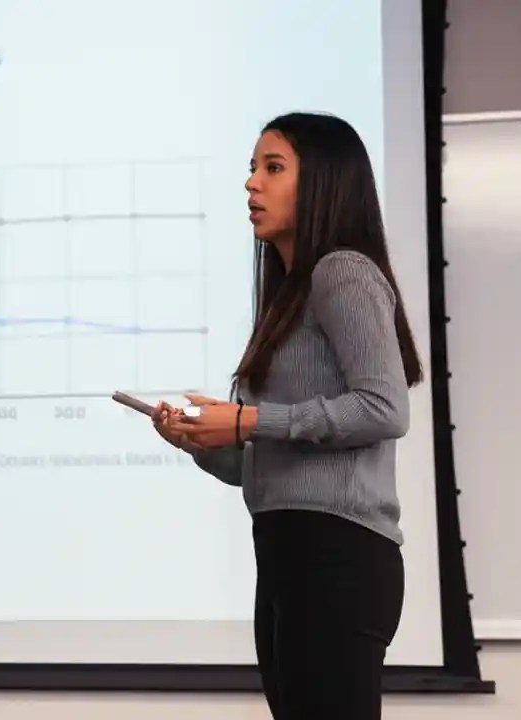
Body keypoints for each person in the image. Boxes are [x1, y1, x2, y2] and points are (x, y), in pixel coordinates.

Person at [152, 111, 423, 720]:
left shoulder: (342, 272)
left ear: (325, 181)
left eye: (273, 168)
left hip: (337, 556)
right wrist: (204, 441)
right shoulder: (286, 295)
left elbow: (384, 408)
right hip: (285, 552)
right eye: (252, 168)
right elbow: (280, 459)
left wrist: (247, 421)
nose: (252, 183)